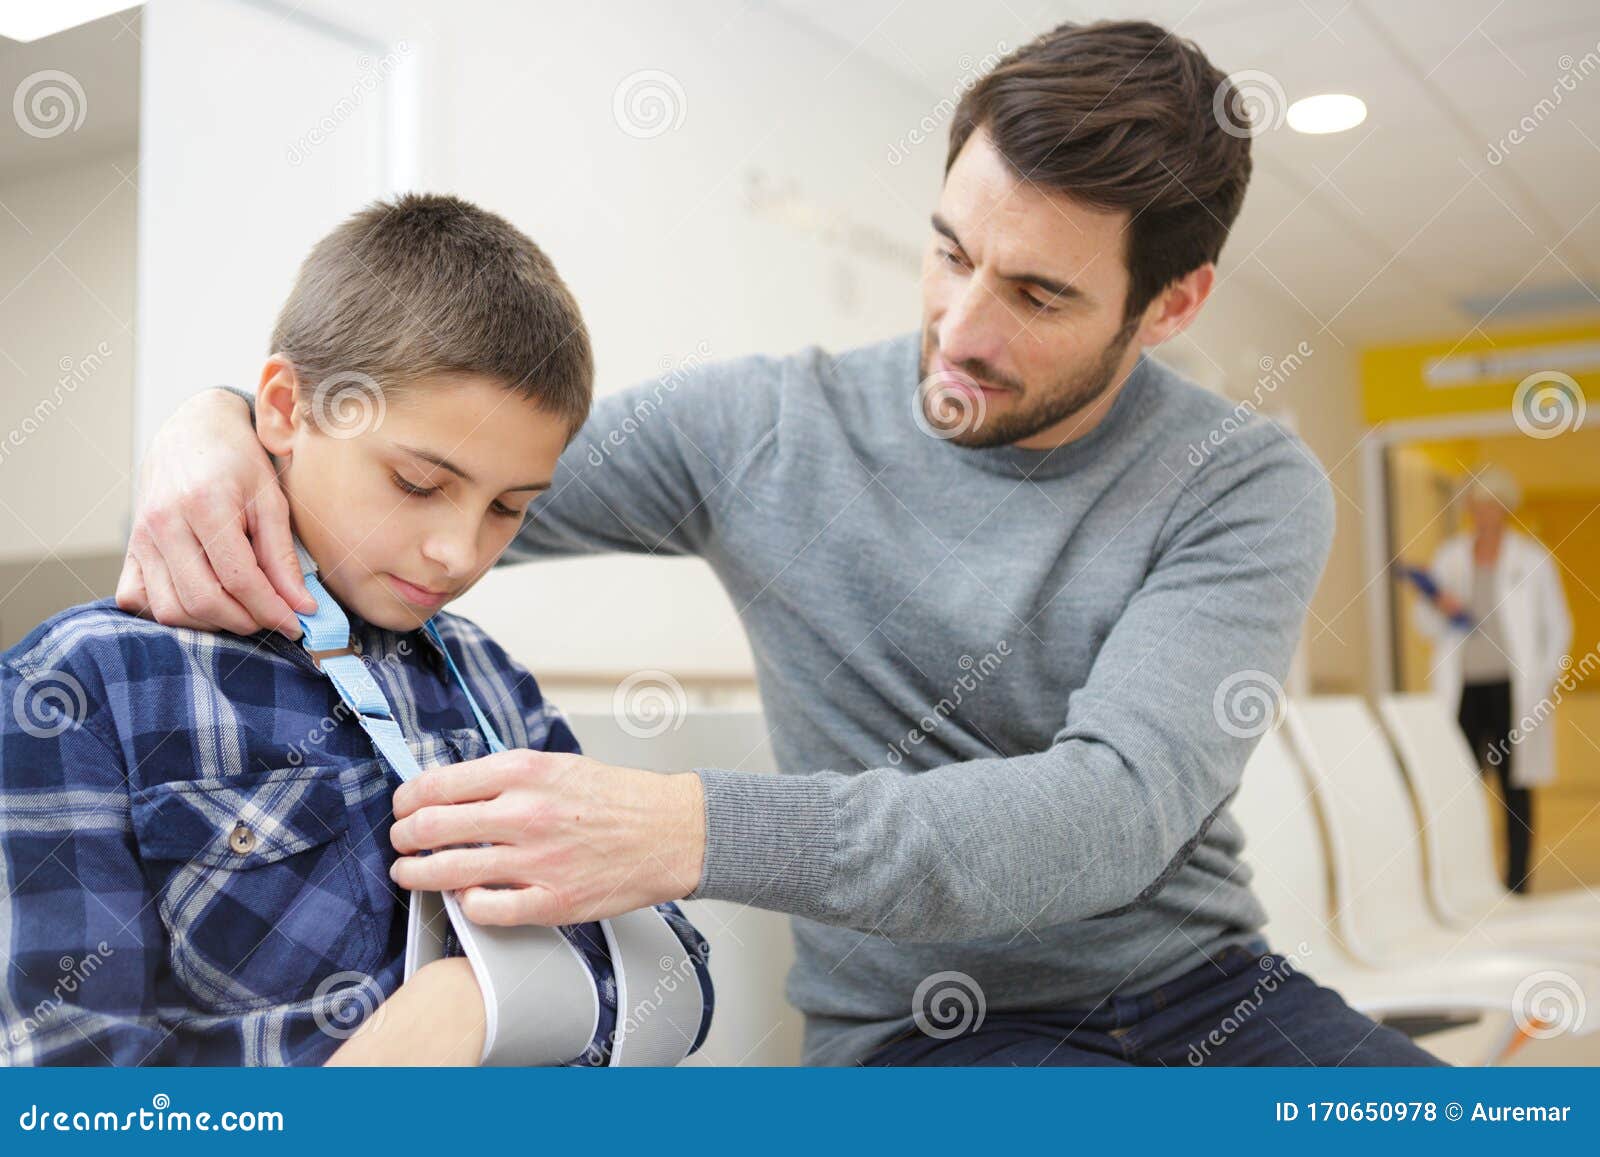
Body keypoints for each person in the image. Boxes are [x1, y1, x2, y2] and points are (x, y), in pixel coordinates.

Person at [117, 21, 1445, 1066]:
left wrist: (690, 828)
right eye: (948, 252)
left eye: (1037, 292)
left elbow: (1109, 818)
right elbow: (425, 487)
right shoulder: (761, 428)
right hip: (940, 1039)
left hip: (1214, 996)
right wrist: (220, 417)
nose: (959, 326)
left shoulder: (1240, 483)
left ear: (1173, 304)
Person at [0, 193, 711, 1066]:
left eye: (510, 509)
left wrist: (473, 1005)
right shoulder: (85, 686)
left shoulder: (488, 682)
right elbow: (67, 1081)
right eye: (418, 483)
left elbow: (674, 969)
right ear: (285, 410)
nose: (458, 553)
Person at [1413, 465, 1573, 894]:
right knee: (1462, 786)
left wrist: (1543, 678)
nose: (1482, 513)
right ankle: (1468, 879)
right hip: (1464, 688)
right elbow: (1424, 623)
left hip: (1513, 688)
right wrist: (1439, 607)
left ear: (1505, 509)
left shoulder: (1531, 558)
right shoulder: (1451, 556)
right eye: (1476, 505)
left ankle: (1517, 880)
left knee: (1515, 787)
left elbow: (1558, 627)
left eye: (1490, 506)